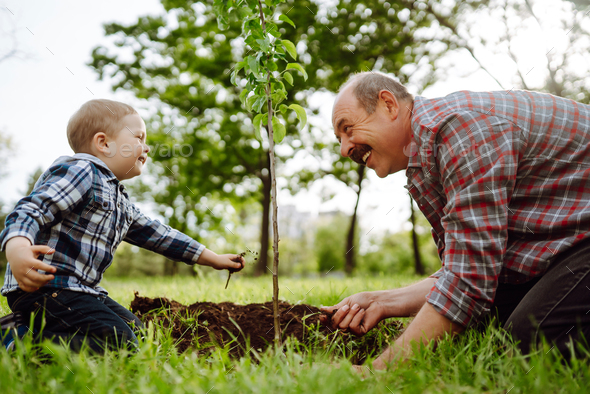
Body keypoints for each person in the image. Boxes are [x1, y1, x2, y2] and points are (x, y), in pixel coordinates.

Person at [321, 71, 590, 371]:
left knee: (525, 344)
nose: (345, 148)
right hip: (571, 246)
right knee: (481, 328)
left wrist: (378, 372)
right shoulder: (424, 161)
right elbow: (465, 267)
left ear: (388, 104)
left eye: (347, 129)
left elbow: (469, 283)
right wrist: (382, 302)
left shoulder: (461, 131)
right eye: (340, 139)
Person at [0, 99, 245, 352]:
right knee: (121, 344)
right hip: (47, 289)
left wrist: (212, 258)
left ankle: (27, 329)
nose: (146, 147)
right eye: (139, 137)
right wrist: (18, 247)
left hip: (81, 292)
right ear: (104, 143)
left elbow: (158, 235)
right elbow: (33, 208)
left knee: (138, 334)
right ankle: (19, 345)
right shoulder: (82, 171)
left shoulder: (118, 199)